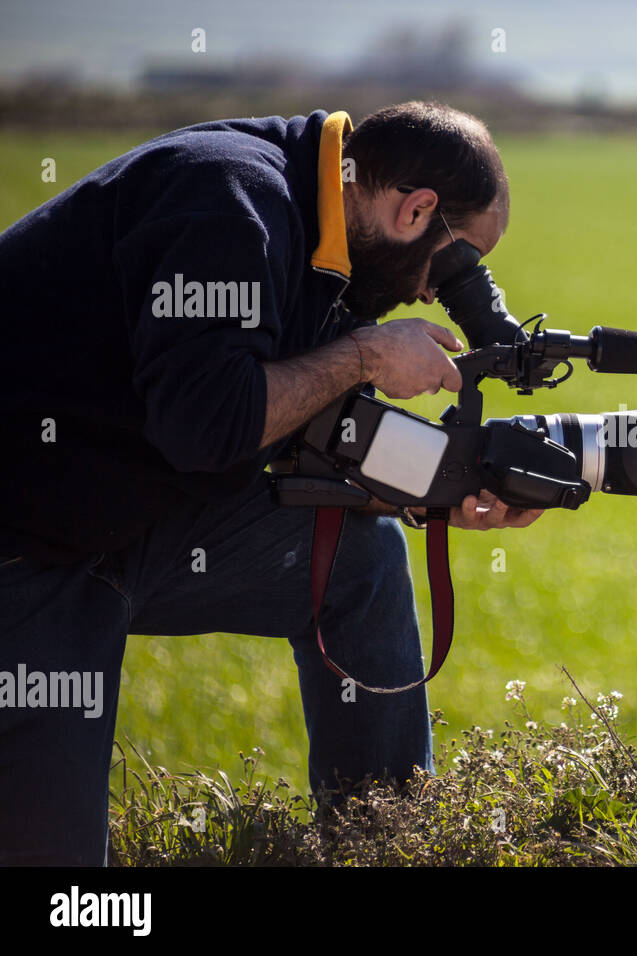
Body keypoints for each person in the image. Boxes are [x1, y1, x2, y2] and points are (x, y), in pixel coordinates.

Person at [0, 101, 541, 865]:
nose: (434, 294)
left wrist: (445, 490)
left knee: (362, 557)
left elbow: (300, 434)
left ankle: (381, 847)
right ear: (416, 208)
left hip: (118, 527)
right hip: (25, 553)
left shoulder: (325, 232)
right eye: (456, 266)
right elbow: (212, 427)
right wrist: (361, 357)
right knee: (61, 881)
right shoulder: (225, 197)